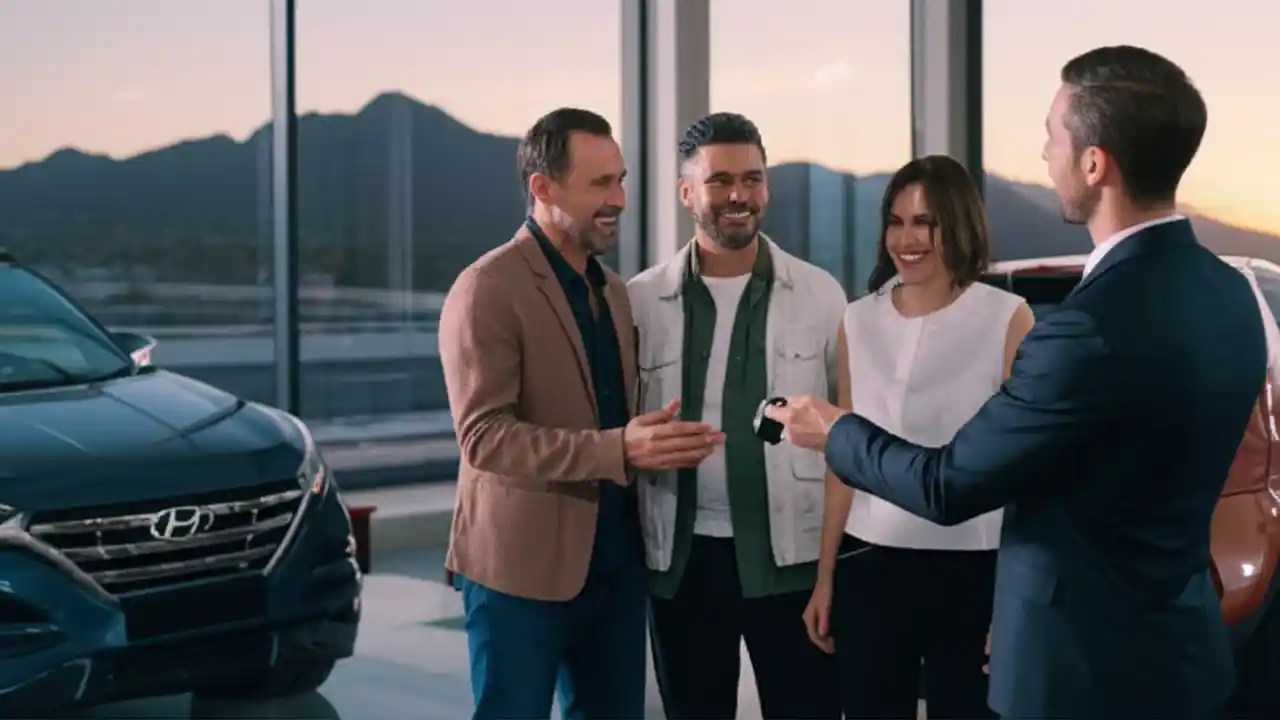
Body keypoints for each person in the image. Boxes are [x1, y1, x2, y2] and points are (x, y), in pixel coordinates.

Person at [766, 45, 1264, 720]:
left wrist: (833, 430)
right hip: (1183, 658)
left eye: (1052, 134)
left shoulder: (1081, 330)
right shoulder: (1231, 297)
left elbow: (947, 486)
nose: (1043, 153)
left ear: (1095, 162)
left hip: (1081, 672)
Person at [438, 107, 724, 720]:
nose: (618, 199)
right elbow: (484, 438)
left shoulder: (615, 293)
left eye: (620, 181)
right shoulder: (487, 287)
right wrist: (619, 449)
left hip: (617, 570)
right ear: (542, 188)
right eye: (600, 184)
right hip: (519, 574)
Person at [627, 112, 846, 719]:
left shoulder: (821, 294)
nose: (738, 196)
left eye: (752, 179)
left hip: (792, 563)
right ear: (687, 192)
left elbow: (845, 445)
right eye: (720, 181)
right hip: (682, 563)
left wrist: (832, 575)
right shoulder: (641, 300)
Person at [800, 154, 1033, 719]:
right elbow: (843, 457)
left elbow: (1028, 475)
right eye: (896, 221)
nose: (907, 238)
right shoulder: (858, 319)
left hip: (973, 573)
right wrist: (825, 577)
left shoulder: (1008, 318)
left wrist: (1015, 604)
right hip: (869, 568)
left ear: (959, 224)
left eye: (925, 222)